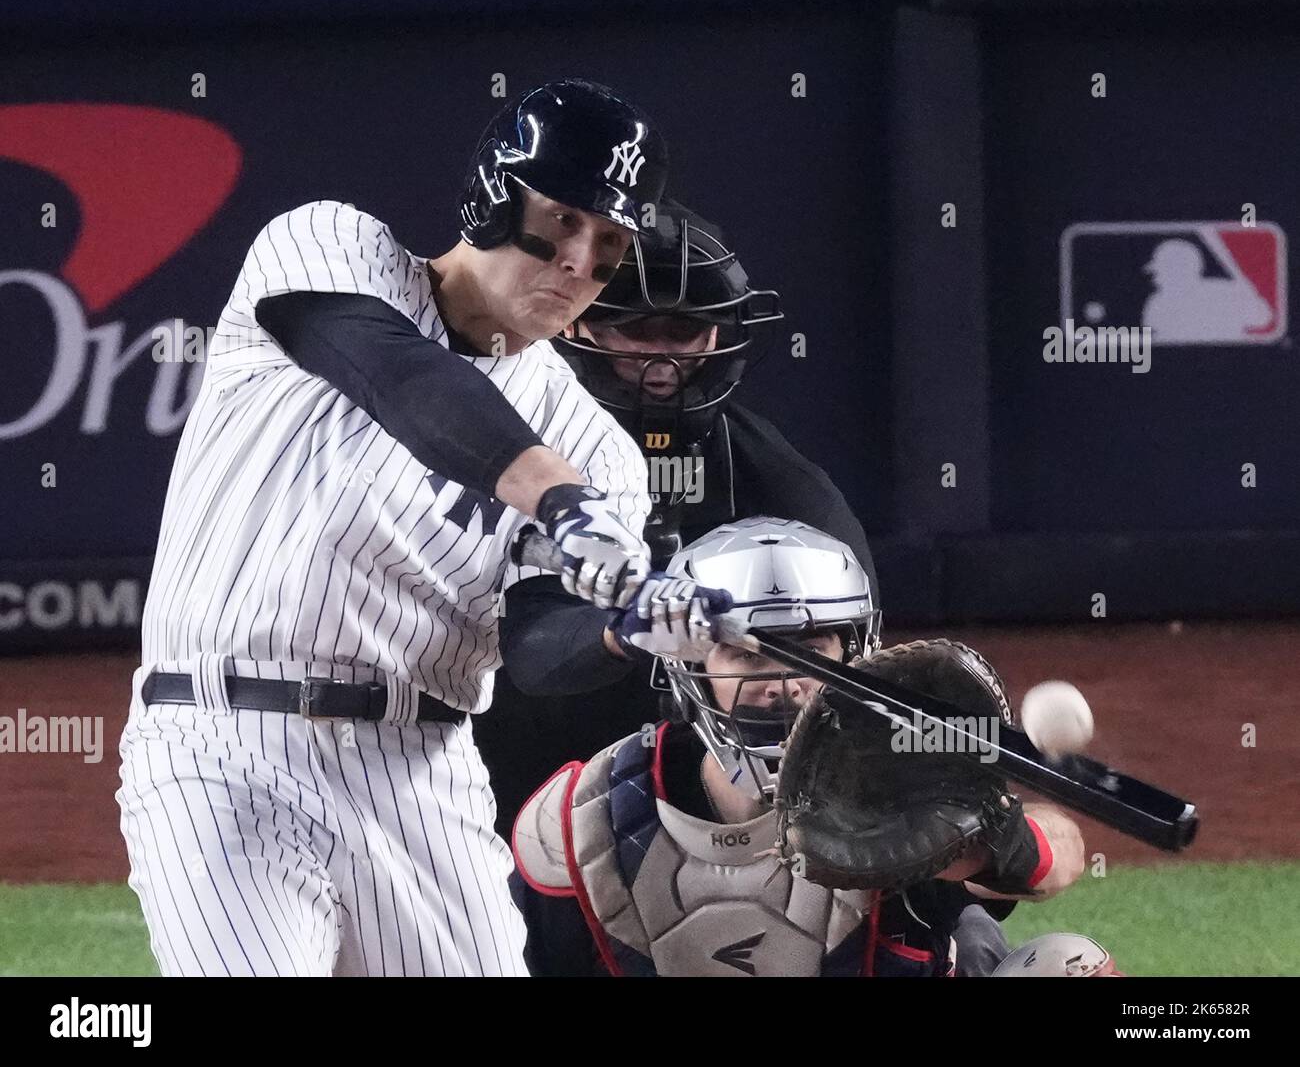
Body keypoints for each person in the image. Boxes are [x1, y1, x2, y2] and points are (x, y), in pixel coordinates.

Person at [114, 79, 733, 977]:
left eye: (607, 241)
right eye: (561, 219)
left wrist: (622, 628)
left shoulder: (600, 450)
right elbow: (408, 379)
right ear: (494, 196)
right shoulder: (327, 246)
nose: (577, 260)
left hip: (421, 773)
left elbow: (537, 647)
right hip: (224, 743)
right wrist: (560, 500)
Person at [511, 518, 1087, 977]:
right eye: (748, 654)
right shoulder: (584, 820)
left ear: (854, 657)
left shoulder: (900, 790)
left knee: (1062, 964)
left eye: (809, 649)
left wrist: (984, 849)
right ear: (691, 665)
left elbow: (1061, 856)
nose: (783, 682)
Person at [477, 200, 874, 833]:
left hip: (709, 788)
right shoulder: (498, 449)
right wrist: (627, 633)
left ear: (720, 333)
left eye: (684, 330)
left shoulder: (783, 485)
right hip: (507, 768)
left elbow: (850, 668)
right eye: (635, 328)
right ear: (577, 321)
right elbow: (526, 647)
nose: (661, 364)